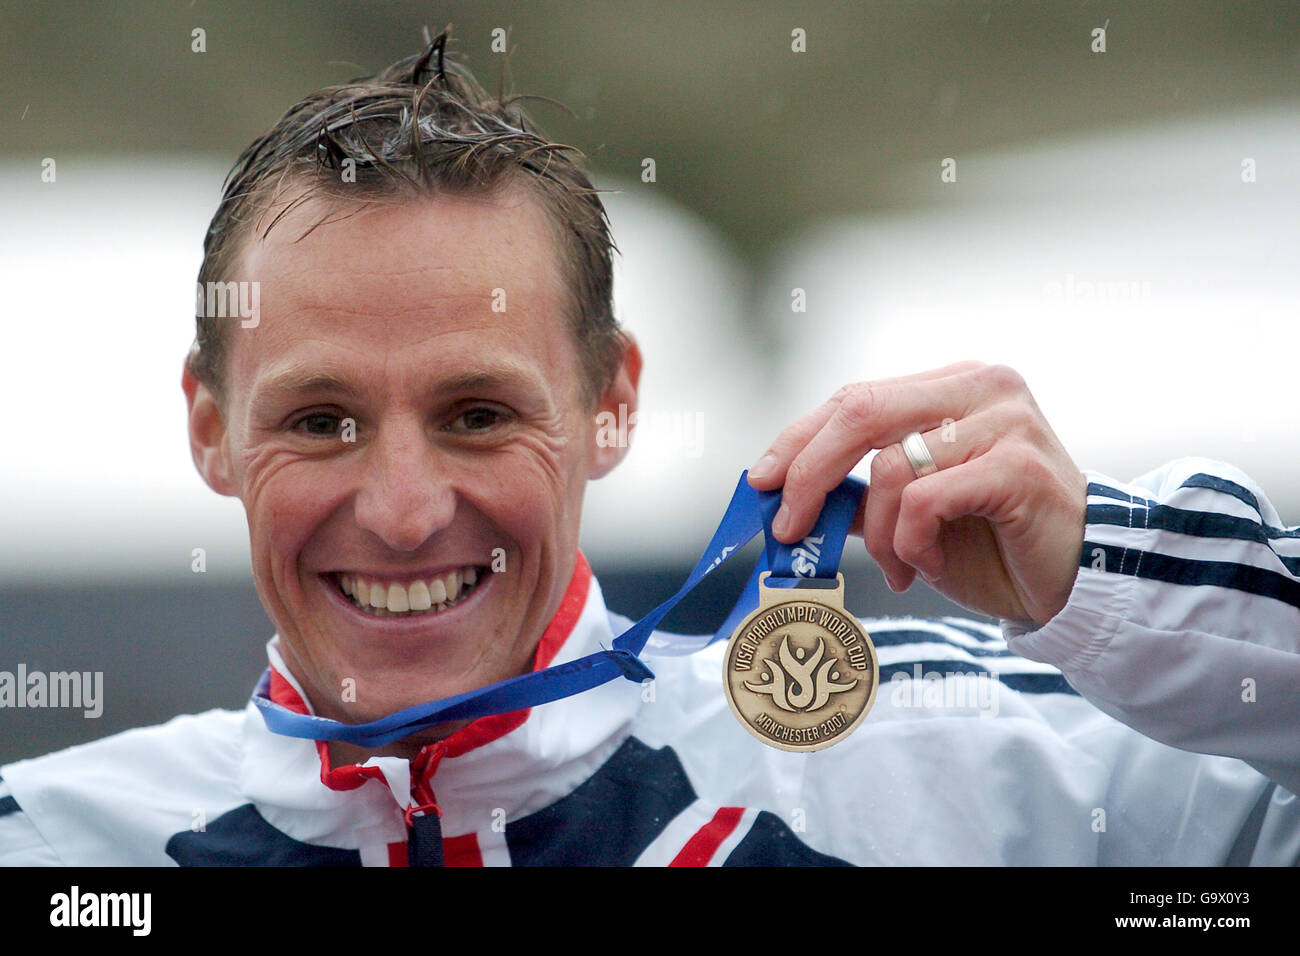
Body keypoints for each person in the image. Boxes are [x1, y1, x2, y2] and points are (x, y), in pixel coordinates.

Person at [2, 32, 1296, 866]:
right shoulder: (66, 851)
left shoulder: (958, 776)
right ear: (211, 431)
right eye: (320, 422)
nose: (401, 513)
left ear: (612, 403)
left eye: (478, 415)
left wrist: (1133, 583)